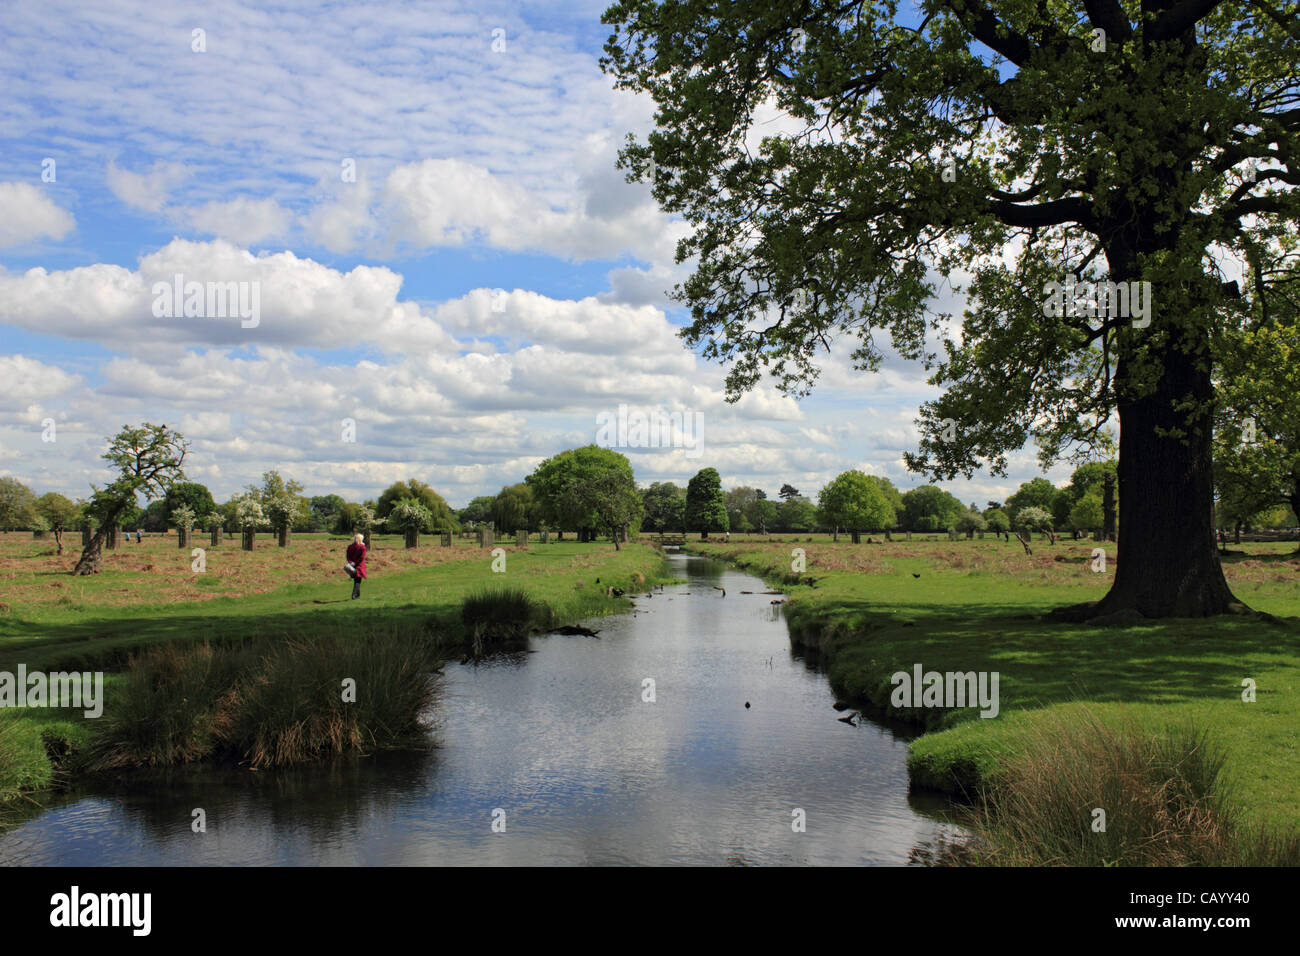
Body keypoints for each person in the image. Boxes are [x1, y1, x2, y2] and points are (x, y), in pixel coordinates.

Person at [345, 533, 367, 599]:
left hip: (351, 566)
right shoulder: (362, 547)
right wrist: (355, 563)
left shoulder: (350, 547)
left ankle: (358, 595)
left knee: (356, 580)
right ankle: (354, 594)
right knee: (358, 580)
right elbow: (362, 557)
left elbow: (347, 556)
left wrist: (351, 562)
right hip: (359, 566)